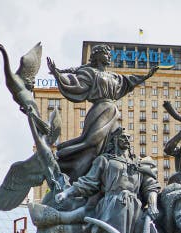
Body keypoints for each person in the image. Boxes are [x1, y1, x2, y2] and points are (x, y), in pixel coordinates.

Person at [46, 44, 158, 181]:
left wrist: (146, 76)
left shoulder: (114, 76)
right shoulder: (90, 72)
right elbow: (75, 85)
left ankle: (110, 178)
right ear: (98, 56)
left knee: (116, 144)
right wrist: (57, 74)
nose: (109, 56)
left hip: (112, 111)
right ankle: (65, 161)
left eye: (110, 54)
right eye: (106, 54)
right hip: (100, 110)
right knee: (92, 144)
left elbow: (130, 81)